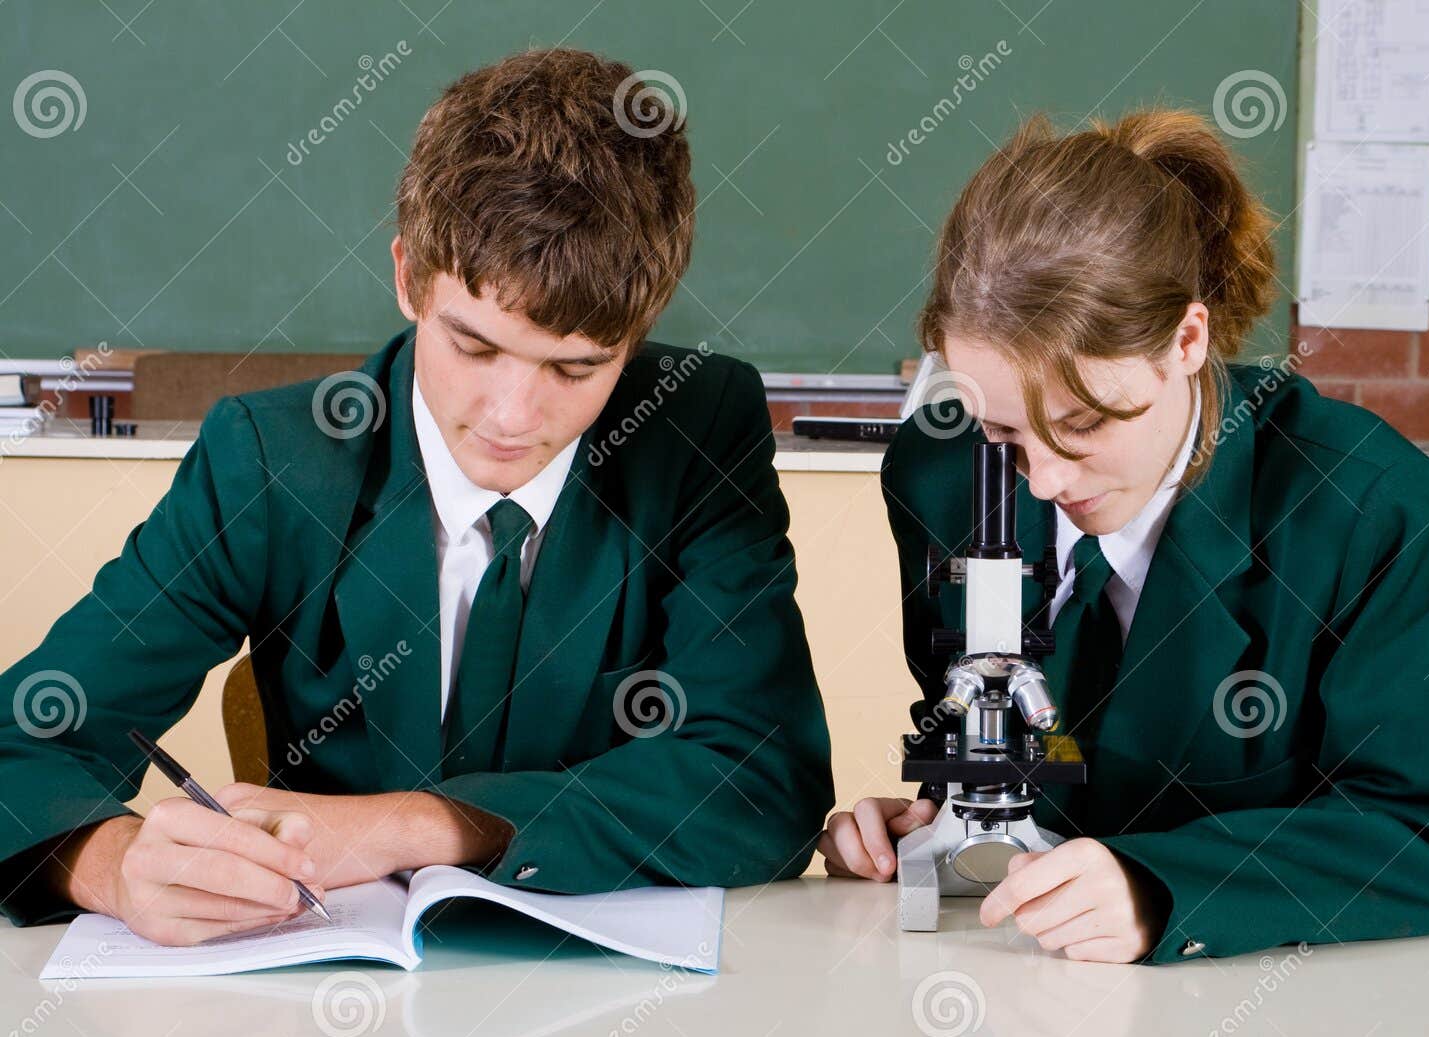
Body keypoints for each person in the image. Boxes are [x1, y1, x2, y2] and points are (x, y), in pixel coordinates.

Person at [0, 48, 831, 947]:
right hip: (331, 1013)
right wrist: (114, 864)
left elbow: (763, 779)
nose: (514, 417)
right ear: (406, 276)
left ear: (641, 329)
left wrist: (419, 821)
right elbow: (23, 743)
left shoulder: (695, 427)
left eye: (577, 366)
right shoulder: (273, 462)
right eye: (473, 347)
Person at [818, 108, 1429, 964]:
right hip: (1023, 994)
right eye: (1008, 433)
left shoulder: (1374, 512)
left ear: (1187, 339)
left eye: (1085, 423)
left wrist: (1163, 887)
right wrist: (946, 822)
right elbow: (1011, 739)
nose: (1045, 481)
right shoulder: (941, 475)